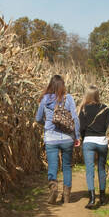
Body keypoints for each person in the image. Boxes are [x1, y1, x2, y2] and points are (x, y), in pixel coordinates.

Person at [35, 74, 80, 204]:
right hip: (67, 138)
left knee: (53, 165)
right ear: (62, 85)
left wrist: (46, 124)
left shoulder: (45, 99)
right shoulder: (68, 98)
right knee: (67, 166)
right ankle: (66, 196)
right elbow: (75, 118)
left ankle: (53, 187)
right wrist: (77, 136)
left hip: (51, 137)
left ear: (51, 85)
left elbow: (38, 118)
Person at [78, 88, 109, 208]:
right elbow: (107, 125)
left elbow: (81, 127)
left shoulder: (83, 109)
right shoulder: (105, 108)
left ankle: (92, 199)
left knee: (89, 170)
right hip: (102, 141)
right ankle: (102, 197)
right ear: (97, 95)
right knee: (101, 169)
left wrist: (84, 138)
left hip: (89, 141)